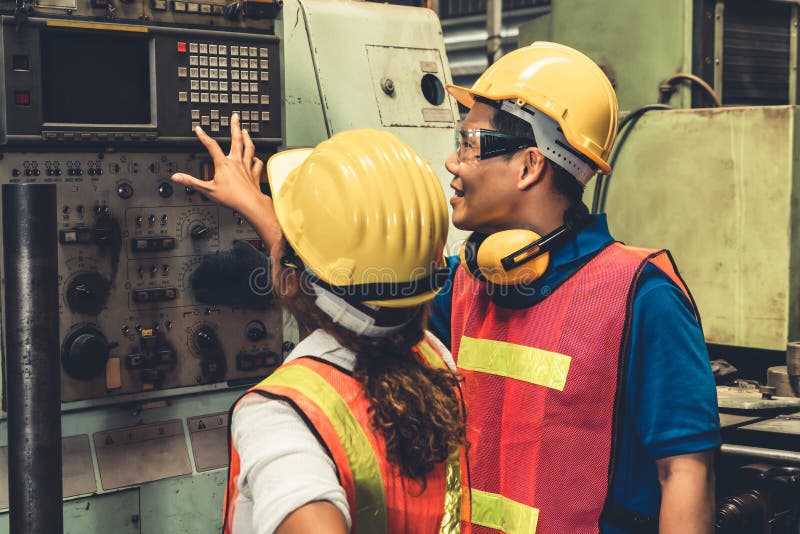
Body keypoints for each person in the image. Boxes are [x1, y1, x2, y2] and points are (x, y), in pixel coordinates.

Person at [427, 41, 720, 533]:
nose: (453, 165)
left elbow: (684, 472)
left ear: (529, 165)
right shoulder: (462, 286)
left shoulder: (642, 296)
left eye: (469, 144)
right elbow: (351, 321)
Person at [172, 122, 469, 533]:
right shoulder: (437, 362)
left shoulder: (283, 415)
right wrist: (254, 202)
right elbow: (346, 273)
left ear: (294, 279)